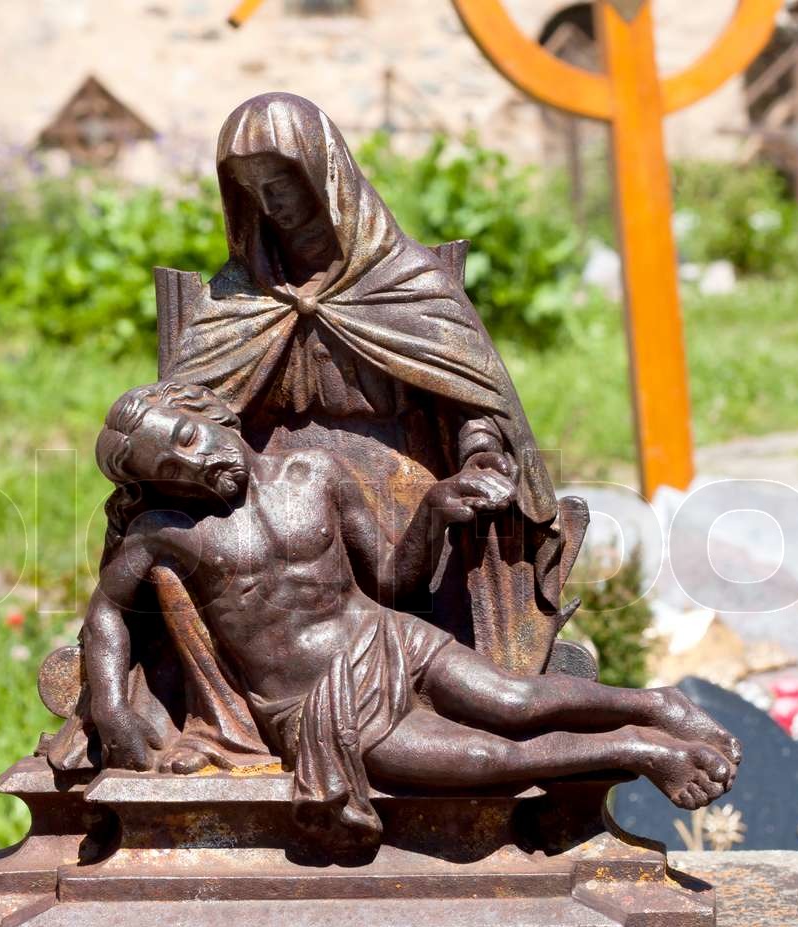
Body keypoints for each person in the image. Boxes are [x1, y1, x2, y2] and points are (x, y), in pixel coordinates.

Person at [50, 382, 739, 840]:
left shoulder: (314, 474)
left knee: (514, 698)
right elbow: (107, 613)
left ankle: (659, 706)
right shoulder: (166, 533)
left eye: (187, 438)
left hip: (387, 638)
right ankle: (638, 748)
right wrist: (109, 705)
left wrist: (434, 511)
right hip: (316, 707)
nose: (195, 464)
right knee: (482, 757)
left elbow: (392, 579)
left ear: (208, 411)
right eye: (169, 469)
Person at [160, 92, 582, 675]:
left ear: (325, 175)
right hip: (279, 514)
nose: (270, 201)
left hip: (405, 498)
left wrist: (480, 454)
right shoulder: (237, 299)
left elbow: (471, 398)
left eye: (282, 181)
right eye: (252, 188)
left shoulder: (407, 282)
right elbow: (184, 411)